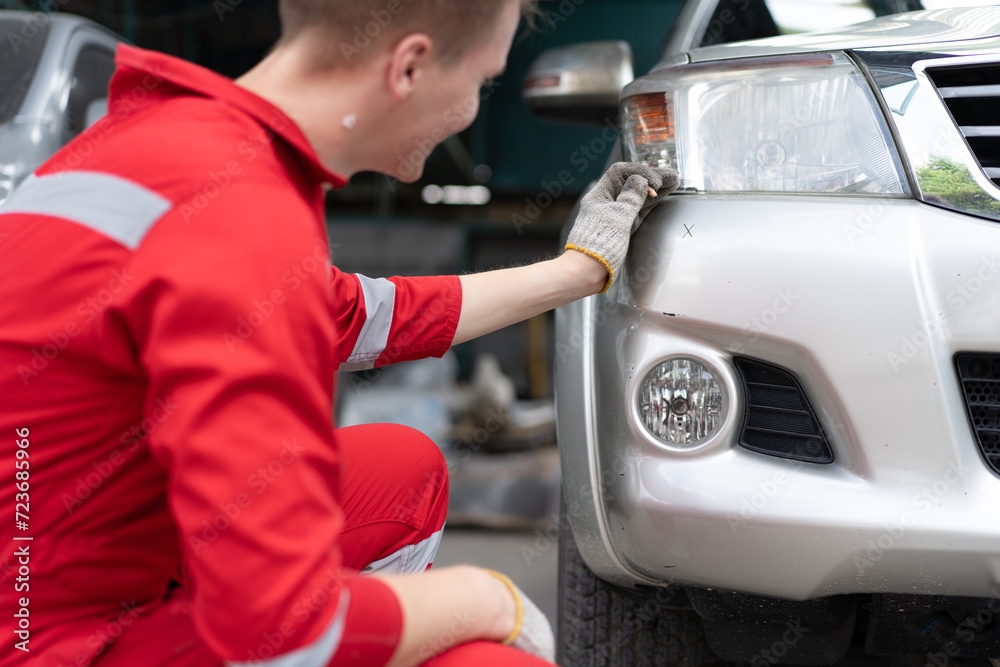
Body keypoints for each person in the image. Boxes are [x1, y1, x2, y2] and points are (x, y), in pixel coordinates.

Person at [0, 1, 677, 665]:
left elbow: (365, 316)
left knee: (401, 470)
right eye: (480, 81)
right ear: (409, 68)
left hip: (68, 572)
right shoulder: (241, 216)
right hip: (61, 645)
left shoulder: (164, 144)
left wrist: (577, 271)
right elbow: (285, 629)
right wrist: (488, 598)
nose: (472, 109)